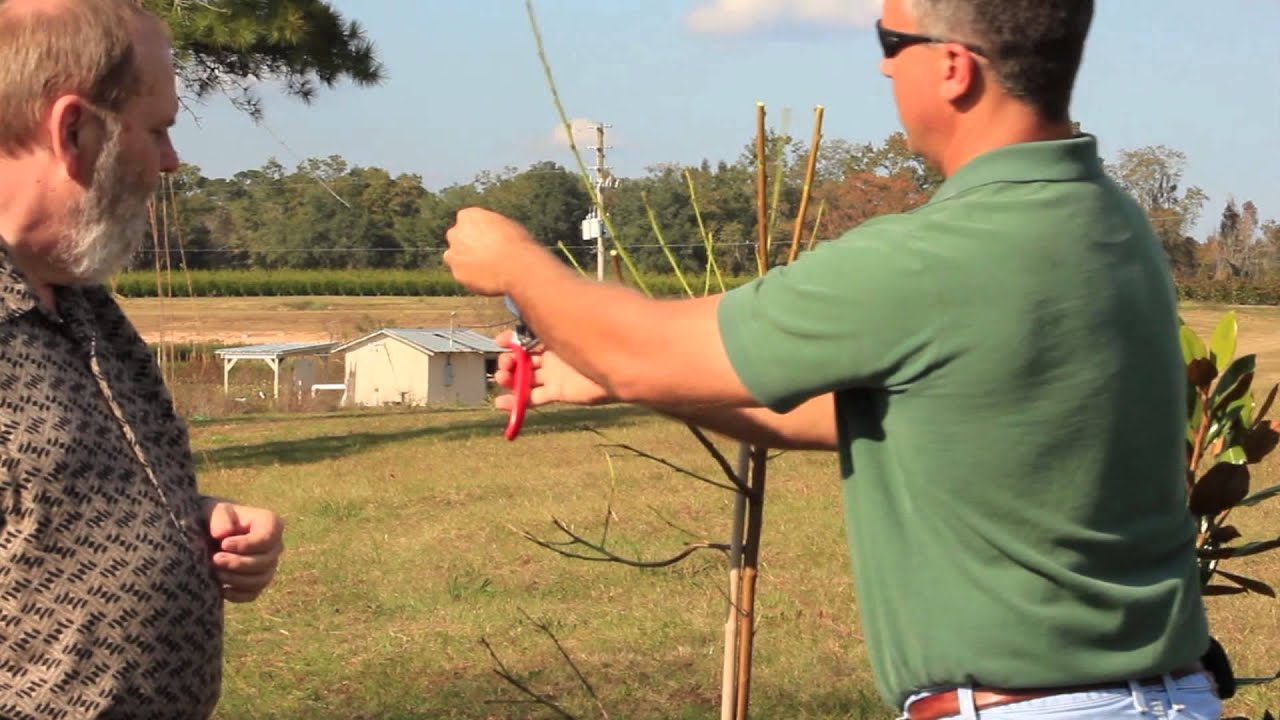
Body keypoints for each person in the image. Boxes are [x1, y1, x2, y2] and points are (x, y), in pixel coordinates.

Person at [443, 0, 1224, 718]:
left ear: (954, 67)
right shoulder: (1105, 219)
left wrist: (516, 264)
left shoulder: (934, 256)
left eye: (891, 42)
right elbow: (894, 414)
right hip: (1164, 697)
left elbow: (650, 351)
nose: (884, 66)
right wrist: (608, 374)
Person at [0, 1, 285, 717]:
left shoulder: (78, 295)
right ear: (74, 130)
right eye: (156, 130)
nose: (170, 161)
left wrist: (191, 519)